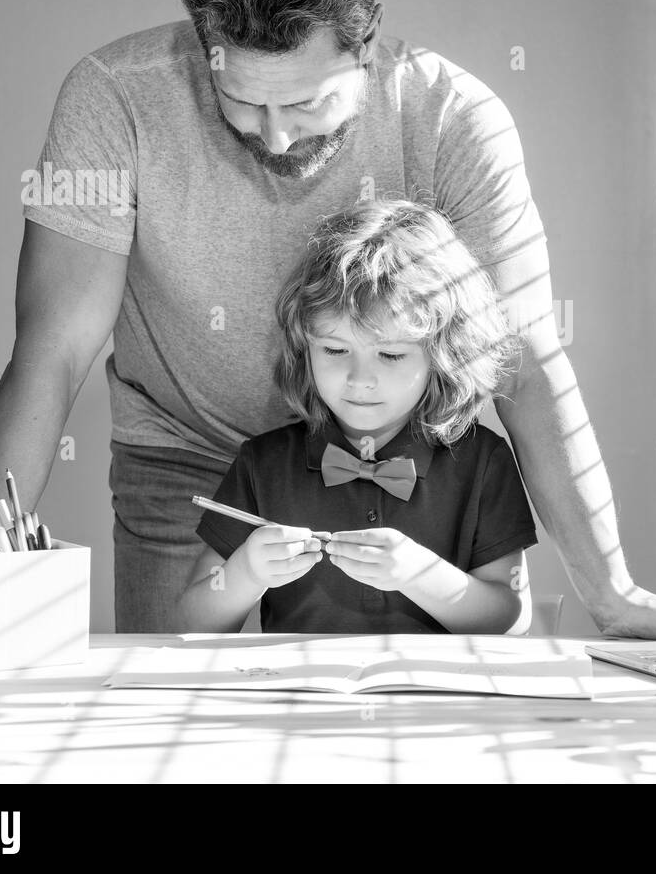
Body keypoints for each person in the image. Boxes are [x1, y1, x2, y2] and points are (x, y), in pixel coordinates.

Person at [0, 0, 656, 638]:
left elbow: (522, 359)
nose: (277, 137)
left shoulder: (455, 119)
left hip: (403, 456)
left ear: (366, 40)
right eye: (243, 101)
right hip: (183, 455)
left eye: (306, 103)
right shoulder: (113, 98)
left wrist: (614, 598)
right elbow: (53, 349)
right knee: (169, 691)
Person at [178, 200, 536, 634]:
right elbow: (190, 623)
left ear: (445, 354)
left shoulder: (483, 462)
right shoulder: (263, 464)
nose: (359, 380)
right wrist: (245, 574)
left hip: (436, 681)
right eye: (334, 350)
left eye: (391, 354)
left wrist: (423, 577)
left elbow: (510, 618)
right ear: (303, 348)